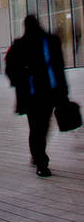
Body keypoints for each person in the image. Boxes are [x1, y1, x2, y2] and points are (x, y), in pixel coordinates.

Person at [5, 15, 68, 177]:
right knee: (43, 126)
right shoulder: (50, 41)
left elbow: (10, 69)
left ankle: (39, 159)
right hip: (49, 92)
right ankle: (40, 158)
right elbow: (59, 68)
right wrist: (63, 91)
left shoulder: (21, 45)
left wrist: (20, 79)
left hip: (32, 95)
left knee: (36, 128)